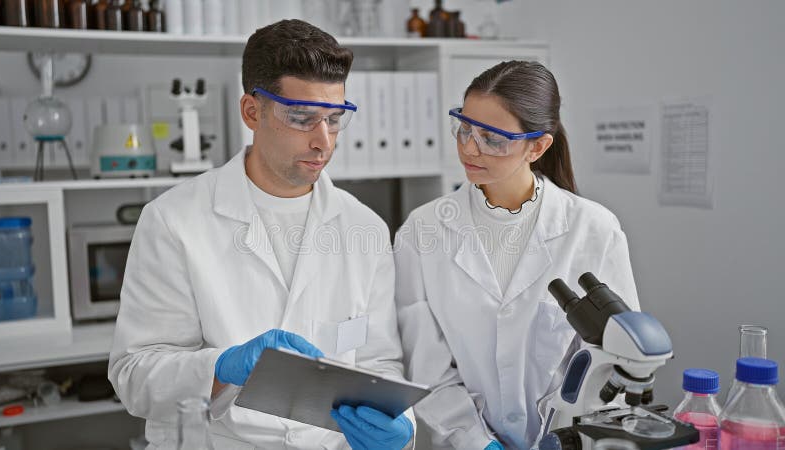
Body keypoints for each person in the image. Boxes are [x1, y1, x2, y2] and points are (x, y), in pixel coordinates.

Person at [108, 19, 414, 449]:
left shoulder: (364, 228)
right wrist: (220, 368)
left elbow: (379, 361)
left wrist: (401, 428)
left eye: (335, 118)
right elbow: (134, 376)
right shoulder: (172, 220)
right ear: (253, 111)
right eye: (302, 118)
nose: (323, 141)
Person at [394, 61, 640, 449]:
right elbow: (427, 368)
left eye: (493, 138)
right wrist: (477, 443)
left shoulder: (594, 229)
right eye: (464, 128)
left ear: (538, 146)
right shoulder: (422, 230)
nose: (469, 147)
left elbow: (618, 362)